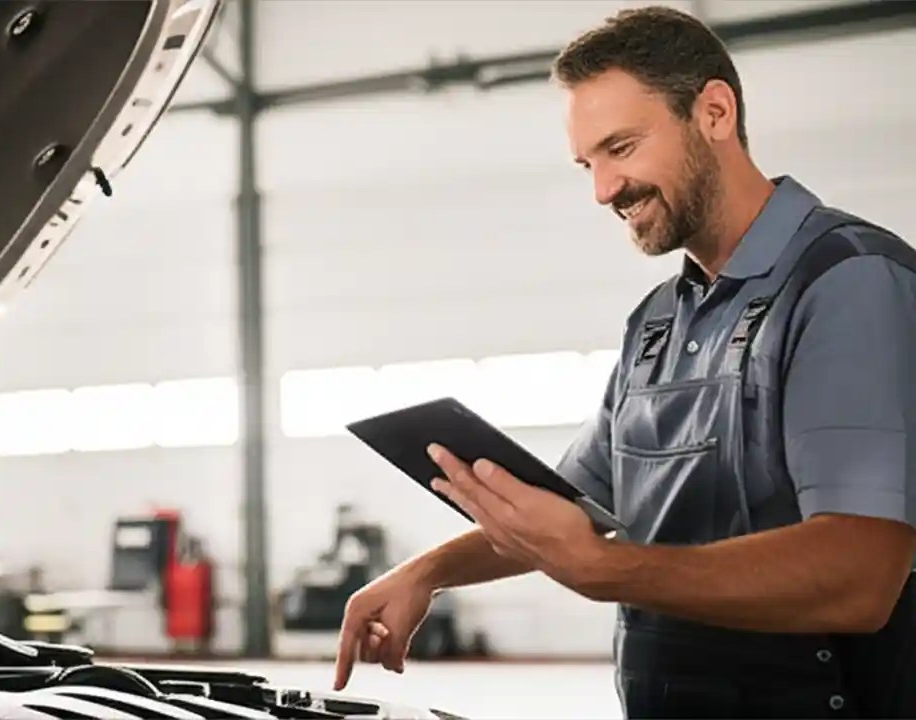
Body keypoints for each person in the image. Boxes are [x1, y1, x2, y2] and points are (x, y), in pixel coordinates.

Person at [332, 6, 916, 717]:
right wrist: (427, 572)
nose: (604, 190)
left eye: (623, 147)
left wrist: (605, 571)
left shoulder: (849, 282)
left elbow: (860, 575)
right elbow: (570, 509)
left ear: (714, 112)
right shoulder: (655, 323)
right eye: (589, 163)